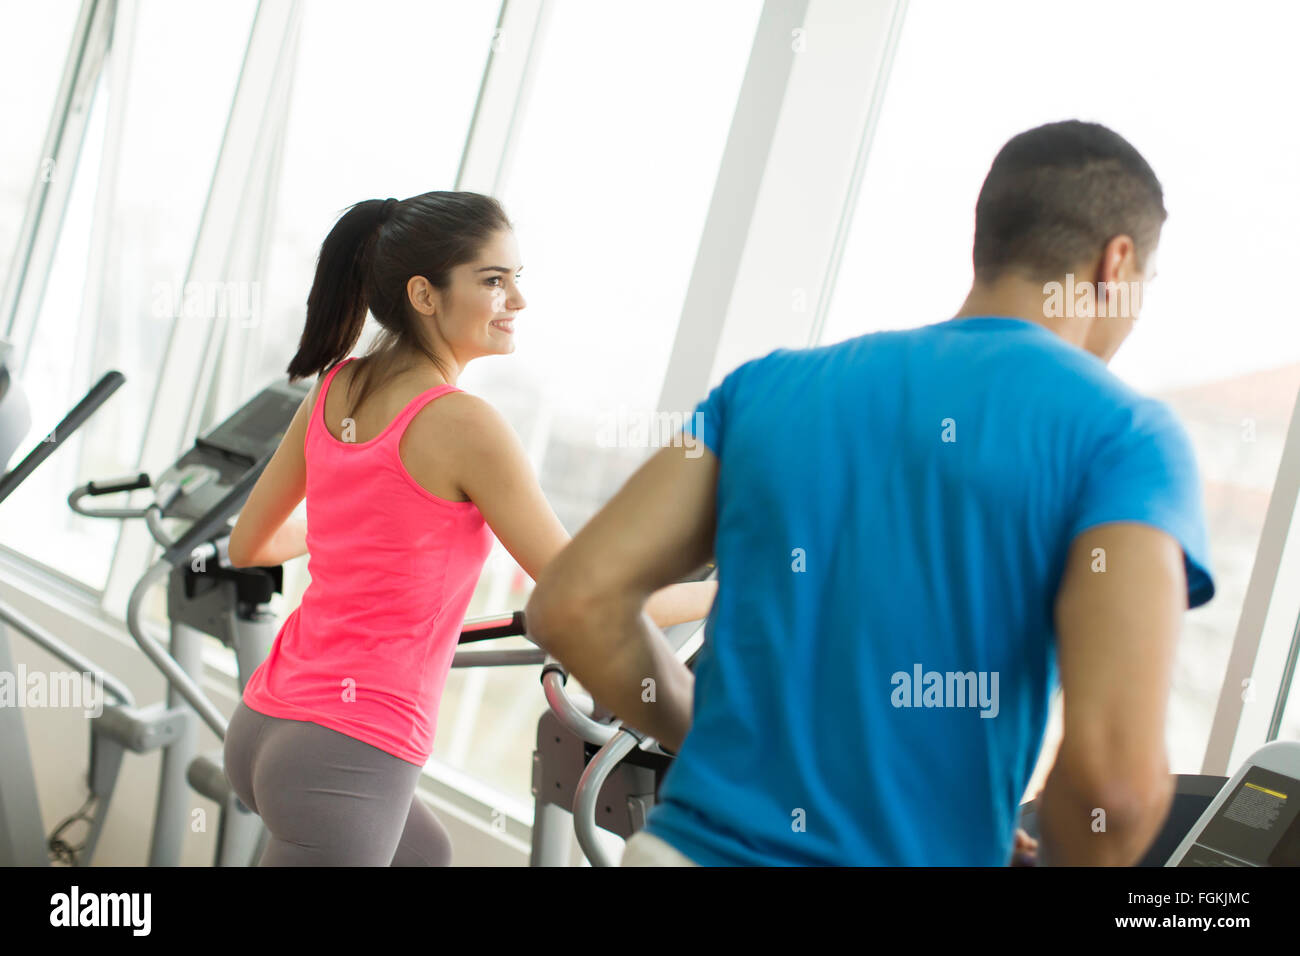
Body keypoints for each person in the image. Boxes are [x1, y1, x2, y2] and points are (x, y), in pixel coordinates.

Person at [525, 120, 1216, 866]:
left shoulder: (769, 388)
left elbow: (572, 602)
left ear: (987, 240)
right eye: (1146, 283)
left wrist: (722, 739)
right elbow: (1116, 788)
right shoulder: (1126, 438)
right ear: (1116, 265)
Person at [221, 191, 716, 865]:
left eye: (518, 279)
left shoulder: (337, 386)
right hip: (346, 746)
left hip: (264, 723)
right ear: (425, 294)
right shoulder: (465, 425)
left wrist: (358, 519)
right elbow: (594, 597)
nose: (518, 300)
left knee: (427, 856)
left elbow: (247, 544)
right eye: (494, 280)